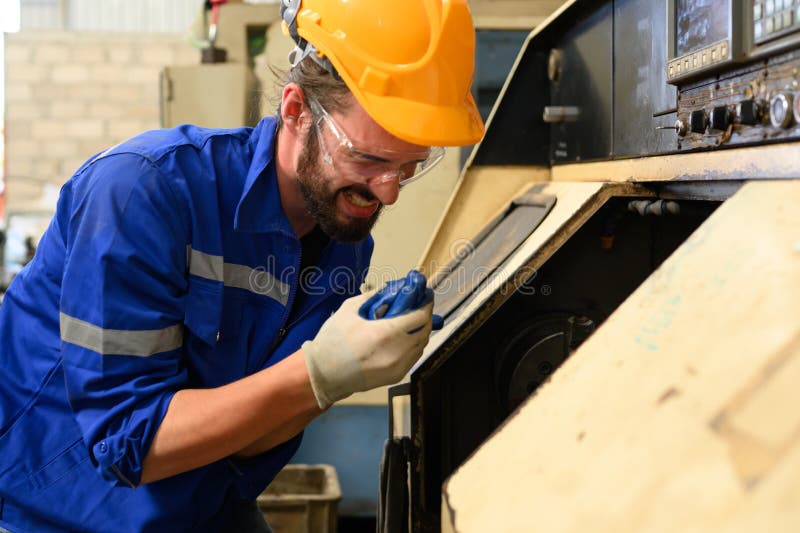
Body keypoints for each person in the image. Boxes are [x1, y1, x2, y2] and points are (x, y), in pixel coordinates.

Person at [0, 0, 484, 530]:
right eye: (368, 159)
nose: (388, 193)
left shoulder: (343, 238)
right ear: (297, 109)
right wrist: (318, 372)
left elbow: (257, 429)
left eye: (410, 166)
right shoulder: (144, 191)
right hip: (51, 512)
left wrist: (347, 368)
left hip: (203, 506)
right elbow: (129, 444)